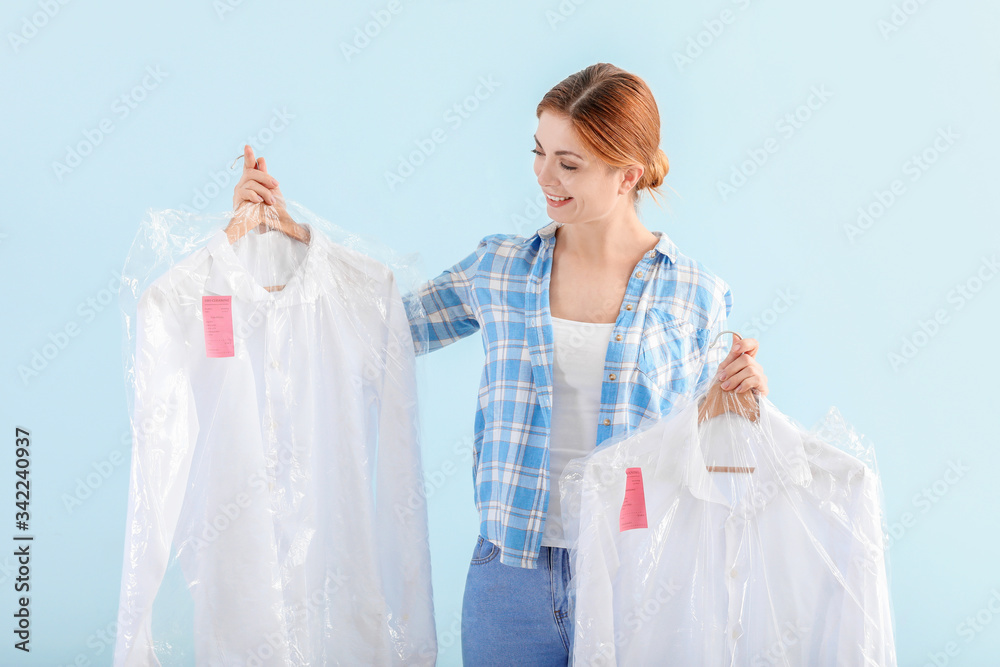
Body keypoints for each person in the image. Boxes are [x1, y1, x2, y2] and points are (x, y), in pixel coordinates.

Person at [232, 62, 769, 666]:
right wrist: (286, 236)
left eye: (569, 164)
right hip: (510, 575)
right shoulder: (500, 268)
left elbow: (706, 455)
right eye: (539, 153)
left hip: (640, 571)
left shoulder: (695, 293)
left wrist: (737, 401)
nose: (545, 176)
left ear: (628, 176)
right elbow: (378, 328)